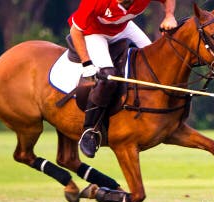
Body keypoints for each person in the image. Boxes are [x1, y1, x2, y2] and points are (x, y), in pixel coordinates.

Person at [68, 0, 177, 158]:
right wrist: (87, 63)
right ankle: (90, 130)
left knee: (156, 62)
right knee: (108, 77)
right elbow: (75, 31)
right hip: (93, 33)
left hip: (123, 27)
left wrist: (169, 15)